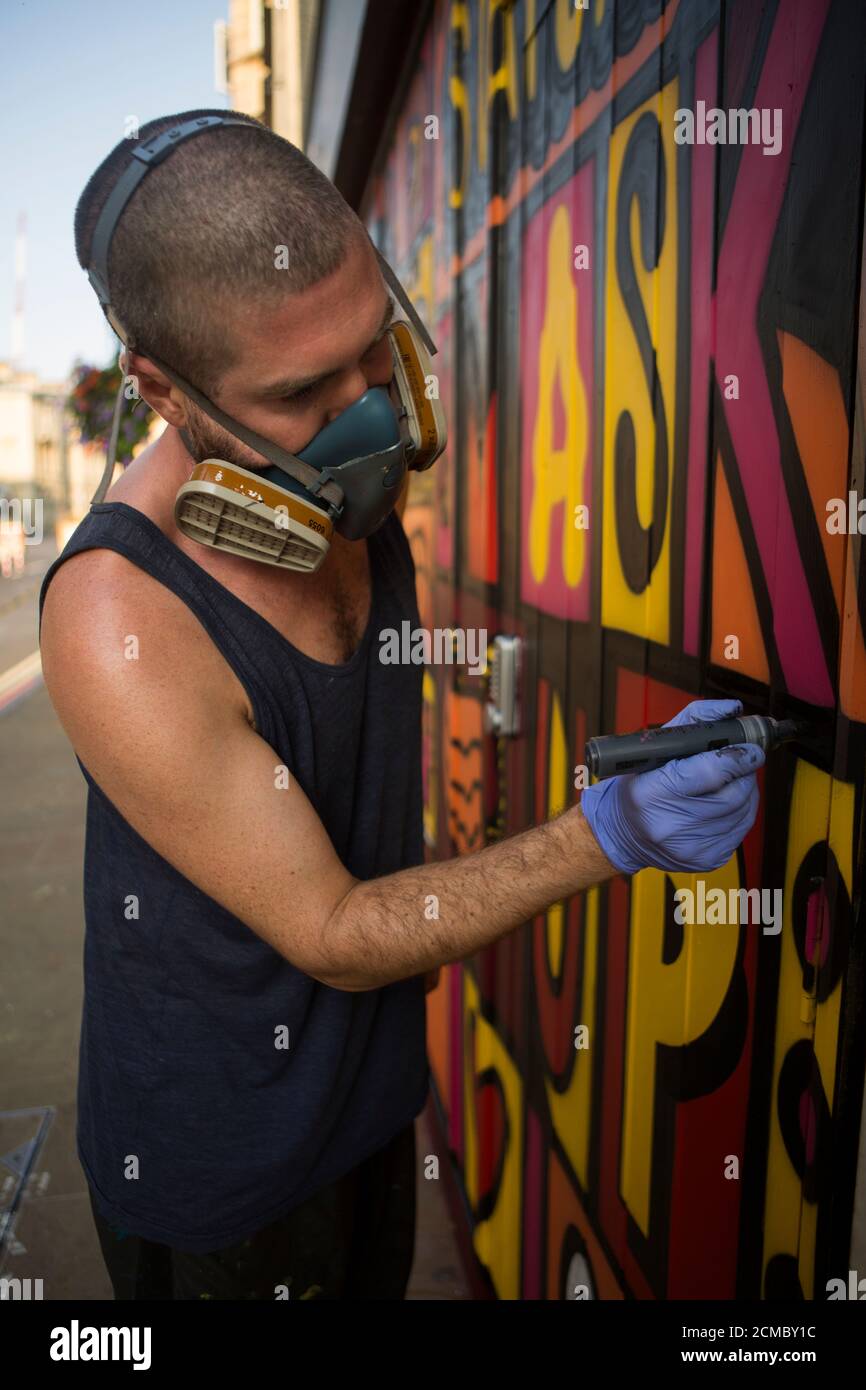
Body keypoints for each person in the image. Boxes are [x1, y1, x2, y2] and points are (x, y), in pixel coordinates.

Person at [38, 109, 763, 1301]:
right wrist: (607, 835)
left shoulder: (337, 500)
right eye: (303, 394)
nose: (374, 412)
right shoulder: (120, 622)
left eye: (375, 349)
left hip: (375, 1108)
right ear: (164, 394)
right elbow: (329, 929)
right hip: (223, 1183)